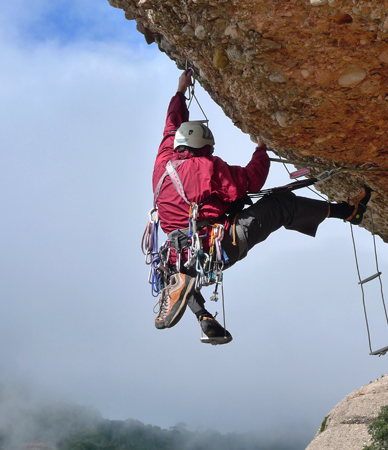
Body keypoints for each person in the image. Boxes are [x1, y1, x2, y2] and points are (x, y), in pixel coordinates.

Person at [150, 70, 371, 343]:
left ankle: (203, 316)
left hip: (176, 253)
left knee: (184, 269)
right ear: (204, 147)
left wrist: (180, 92)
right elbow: (250, 182)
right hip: (217, 245)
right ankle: (349, 211)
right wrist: (261, 150)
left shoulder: (163, 161)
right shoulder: (208, 167)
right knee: (281, 205)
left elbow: (171, 125)